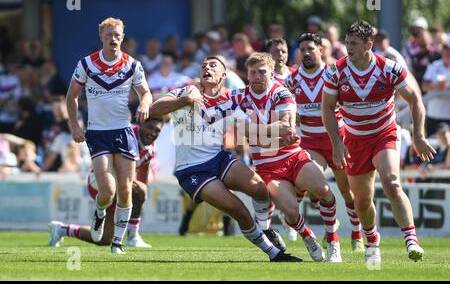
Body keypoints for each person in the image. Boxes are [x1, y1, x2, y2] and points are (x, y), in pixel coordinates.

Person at [148, 54, 299, 262]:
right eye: (203, 65)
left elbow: (254, 134)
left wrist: (282, 140)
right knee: (238, 209)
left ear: (223, 75)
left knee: (260, 189)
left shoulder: (230, 101)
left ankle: (266, 229)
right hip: (192, 169)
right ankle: (273, 253)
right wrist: (184, 100)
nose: (206, 68)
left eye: (213, 65)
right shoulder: (187, 90)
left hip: (219, 158)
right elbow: (152, 109)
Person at [321, 20, 436, 264]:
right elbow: (327, 109)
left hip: (384, 134)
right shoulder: (335, 72)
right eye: (346, 42)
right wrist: (336, 142)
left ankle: (411, 240)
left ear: (368, 45)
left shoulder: (389, 68)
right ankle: (372, 238)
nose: (347, 47)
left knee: (392, 182)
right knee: (361, 202)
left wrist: (419, 137)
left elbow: (416, 99)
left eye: (353, 43)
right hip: (354, 141)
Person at [232, 52, 342, 262]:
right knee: (291, 213)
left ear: (272, 72)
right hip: (267, 167)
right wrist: (265, 133)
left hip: (293, 157)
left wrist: (249, 130)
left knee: (324, 191)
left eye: (262, 72)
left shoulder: (281, 93)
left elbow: (286, 127)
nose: (256, 76)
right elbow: (239, 131)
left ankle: (333, 241)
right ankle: (307, 236)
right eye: (252, 72)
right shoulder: (238, 96)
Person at [65, 17, 152, 254]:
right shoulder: (86, 64)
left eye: (117, 35)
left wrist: (144, 104)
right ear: (101, 36)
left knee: (126, 190)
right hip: (97, 134)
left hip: (123, 132)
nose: (113, 39)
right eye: (109, 35)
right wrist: (74, 125)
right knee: (108, 191)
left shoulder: (133, 65)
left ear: (123, 37)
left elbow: (146, 93)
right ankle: (100, 212)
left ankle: (117, 243)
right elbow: (71, 96)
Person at [286, 33, 364, 252]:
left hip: (336, 141)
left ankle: (356, 232)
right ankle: (332, 224)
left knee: (347, 191)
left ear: (321, 50)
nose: (307, 53)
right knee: (310, 184)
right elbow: (286, 108)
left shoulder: (333, 73)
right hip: (310, 142)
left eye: (311, 48)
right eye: (303, 50)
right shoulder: (292, 80)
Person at [48, 117, 163, 249]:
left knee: (104, 239)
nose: (153, 133)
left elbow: (142, 181)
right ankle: (132, 236)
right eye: (150, 128)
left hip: (120, 187)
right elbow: (111, 164)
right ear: (141, 124)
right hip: (99, 181)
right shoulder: (126, 134)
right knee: (139, 190)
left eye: (157, 130)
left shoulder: (151, 149)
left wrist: (138, 202)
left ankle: (62, 229)